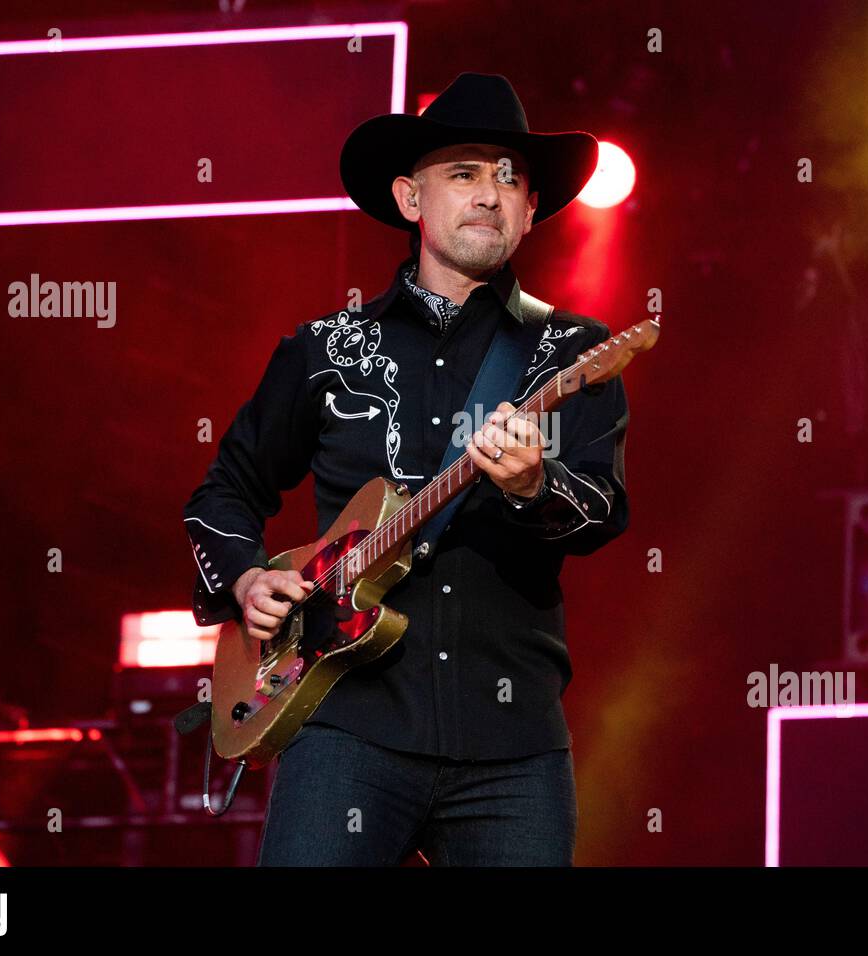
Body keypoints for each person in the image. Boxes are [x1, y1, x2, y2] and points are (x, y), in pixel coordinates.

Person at [183, 72, 631, 865]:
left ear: (531, 210)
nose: (491, 193)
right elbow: (226, 489)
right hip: (344, 725)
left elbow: (603, 509)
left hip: (512, 746)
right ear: (409, 198)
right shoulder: (321, 350)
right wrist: (247, 580)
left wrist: (533, 484)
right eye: (464, 172)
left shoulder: (573, 352)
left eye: (510, 177)